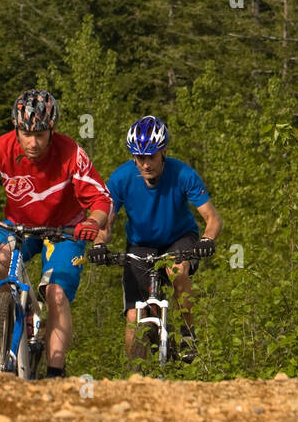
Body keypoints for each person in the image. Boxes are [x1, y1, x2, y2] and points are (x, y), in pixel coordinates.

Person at [0, 88, 110, 378]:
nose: (33, 143)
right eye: (26, 134)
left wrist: (93, 223)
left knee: (56, 294)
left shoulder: (71, 152)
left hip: (64, 230)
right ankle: (2, 323)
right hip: (19, 226)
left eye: (41, 135)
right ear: (16, 128)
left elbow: (101, 199)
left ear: (52, 130)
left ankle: (55, 373)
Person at [93, 115, 221, 363]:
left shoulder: (183, 173)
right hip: (140, 244)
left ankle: (187, 336)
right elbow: (106, 222)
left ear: (163, 152)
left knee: (176, 270)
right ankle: (135, 376)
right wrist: (100, 243)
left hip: (179, 237)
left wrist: (207, 239)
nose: (145, 164)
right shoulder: (121, 178)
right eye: (139, 157)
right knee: (133, 316)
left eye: (151, 156)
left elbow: (213, 218)